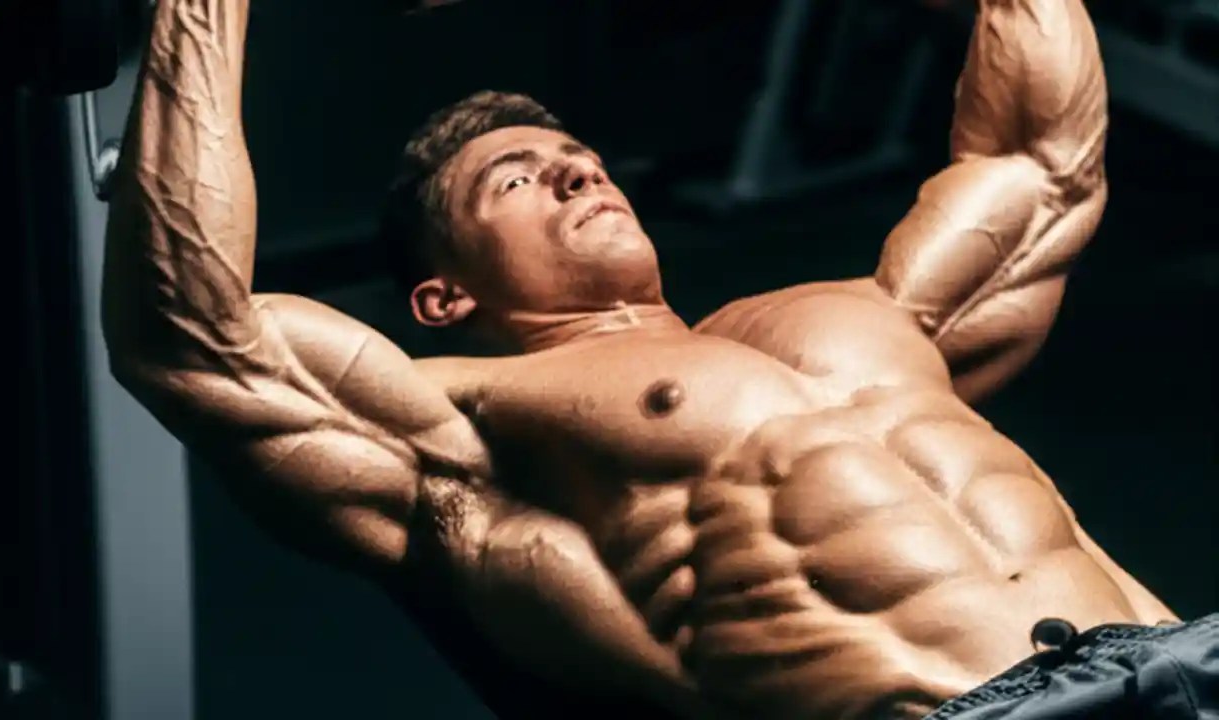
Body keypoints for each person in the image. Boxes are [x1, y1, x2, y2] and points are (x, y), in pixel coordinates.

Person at [102, 0, 1216, 718]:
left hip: (1183, 661)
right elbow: (193, 337)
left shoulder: (861, 318)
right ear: (443, 296)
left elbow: (1040, 162)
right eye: (517, 180)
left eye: (578, 158)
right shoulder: (470, 423)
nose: (577, 175)